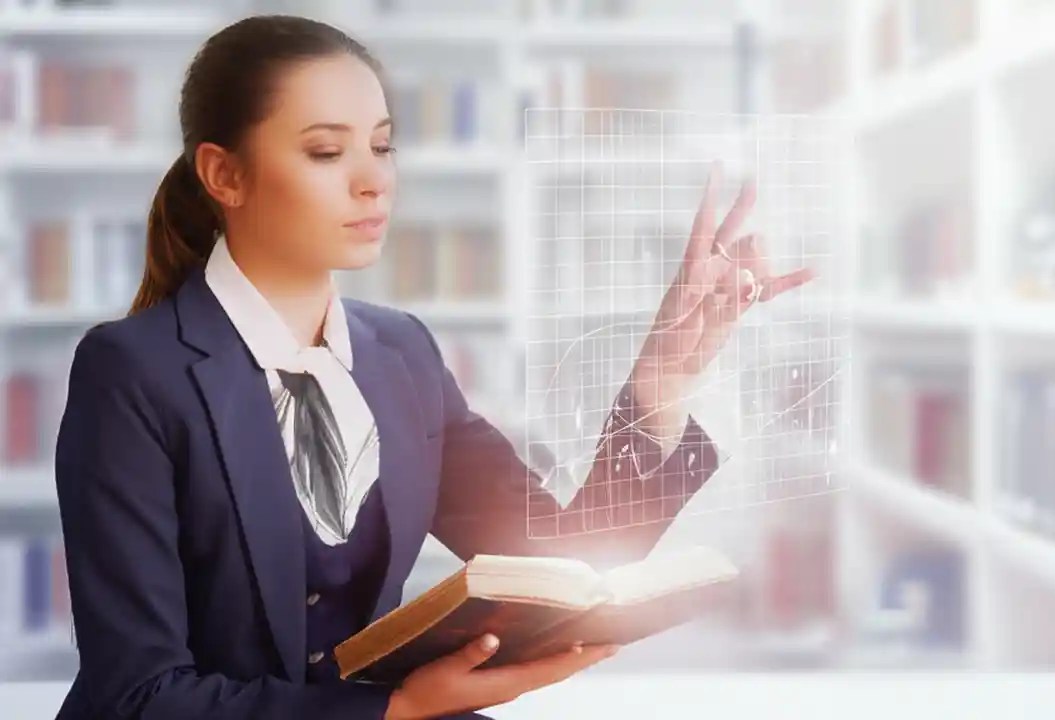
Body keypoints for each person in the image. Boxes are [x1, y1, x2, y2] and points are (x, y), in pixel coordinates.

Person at [51, 14, 816, 720]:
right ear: (224, 176)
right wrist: (396, 710)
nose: (373, 180)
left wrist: (658, 389)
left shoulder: (402, 353)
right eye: (326, 151)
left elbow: (562, 561)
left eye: (382, 146)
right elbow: (138, 695)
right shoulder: (131, 372)